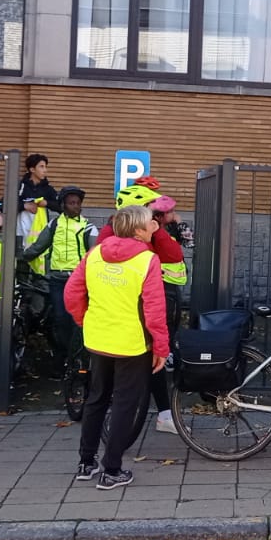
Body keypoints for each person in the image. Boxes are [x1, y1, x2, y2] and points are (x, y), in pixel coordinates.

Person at [64, 204, 170, 490]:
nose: (156, 226)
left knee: (96, 398)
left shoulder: (95, 254)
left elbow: (72, 292)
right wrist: (161, 347)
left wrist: (84, 320)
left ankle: (86, 463)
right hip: (131, 344)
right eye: (151, 223)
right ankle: (112, 470)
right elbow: (155, 310)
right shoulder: (147, 260)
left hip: (98, 339)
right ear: (137, 229)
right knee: (124, 405)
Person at [101, 179, 186, 435]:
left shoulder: (150, 233)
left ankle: (163, 414)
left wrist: (156, 228)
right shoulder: (108, 235)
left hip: (141, 309)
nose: (154, 214)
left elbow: (174, 255)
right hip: (116, 313)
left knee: (152, 360)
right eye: (148, 210)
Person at [21, 186, 98, 368]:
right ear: (63, 205)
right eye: (71, 203)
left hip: (78, 281)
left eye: (78, 203)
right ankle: (62, 356)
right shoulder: (54, 225)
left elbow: (95, 256)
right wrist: (20, 258)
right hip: (57, 279)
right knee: (60, 319)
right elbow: (38, 247)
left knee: (76, 320)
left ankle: (76, 358)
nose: (76, 206)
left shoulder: (88, 227)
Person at [17, 154, 59, 241]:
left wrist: (47, 203)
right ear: (32, 169)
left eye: (45, 167)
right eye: (41, 167)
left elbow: (61, 206)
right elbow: (5, 205)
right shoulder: (20, 187)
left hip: (40, 235)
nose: (45, 170)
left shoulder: (48, 189)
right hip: (19, 234)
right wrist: (24, 206)